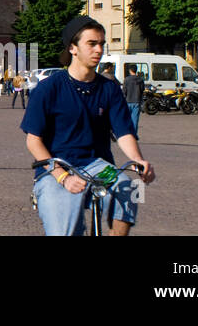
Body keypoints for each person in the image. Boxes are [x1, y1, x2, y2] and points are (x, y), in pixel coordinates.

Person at [21, 16, 156, 236]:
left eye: (102, 44)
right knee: (64, 231)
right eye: (92, 44)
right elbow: (33, 140)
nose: (99, 49)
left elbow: (123, 132)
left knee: (127, 190)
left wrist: (138, 160)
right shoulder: (48, 89)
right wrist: (61, 176)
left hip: (98, 165)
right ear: (73, 48)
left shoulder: (109, 88)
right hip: (57, 168)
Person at [122, 63, 144, 134]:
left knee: (126, 119)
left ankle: (127, 134)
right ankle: (134, 135)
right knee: (135, 120)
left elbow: (124, 91)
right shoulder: (140, 79)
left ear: (130, 70)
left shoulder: (126, 79)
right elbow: (142, 90)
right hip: (137, 101)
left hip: (128, 101)